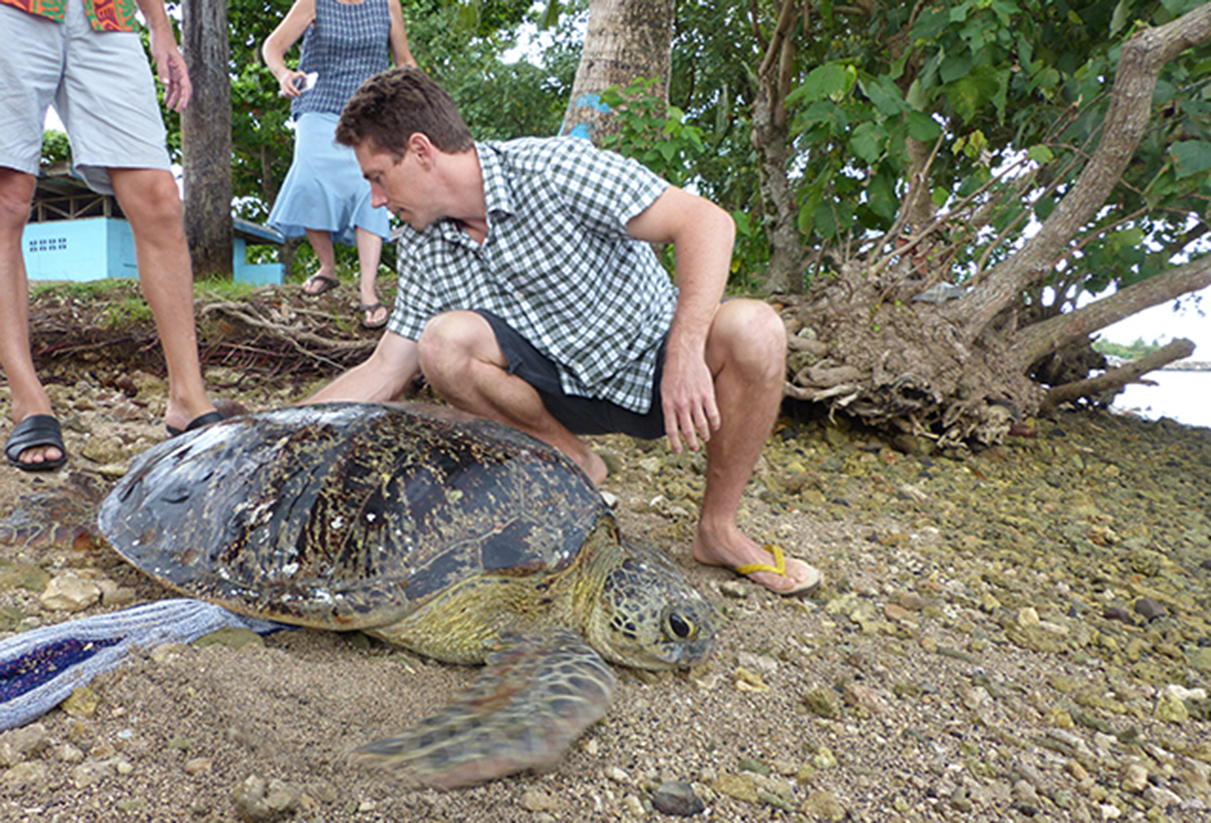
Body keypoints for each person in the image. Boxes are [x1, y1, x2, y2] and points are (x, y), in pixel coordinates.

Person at [308, 67, 821, 595]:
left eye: (377, 177)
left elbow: (706, 222)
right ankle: (573, 462)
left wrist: (687, 349)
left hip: (654, 371)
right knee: (442, 342)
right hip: (554, 396)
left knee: (756, 327)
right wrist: (274, 430)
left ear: (420, 151)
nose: (375, 199)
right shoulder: (420, 239)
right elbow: (387, 367)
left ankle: (718, 529)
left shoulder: (553, 168)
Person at [1, 0, 223, 472]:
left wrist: (160, 26)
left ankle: (188, 397)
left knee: (158, 198)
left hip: (106, 12)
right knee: (8, 199)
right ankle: (28, 399)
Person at [262, 0, 415, 330]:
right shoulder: (313, 3)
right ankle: (327, 268)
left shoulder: (388, 4)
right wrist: (283, 73)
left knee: (368, 186)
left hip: (370, 110)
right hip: (319, 105)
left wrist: (423, 99)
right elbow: (273, 46)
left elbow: (404, 62)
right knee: (309, 176)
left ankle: (368, 290)